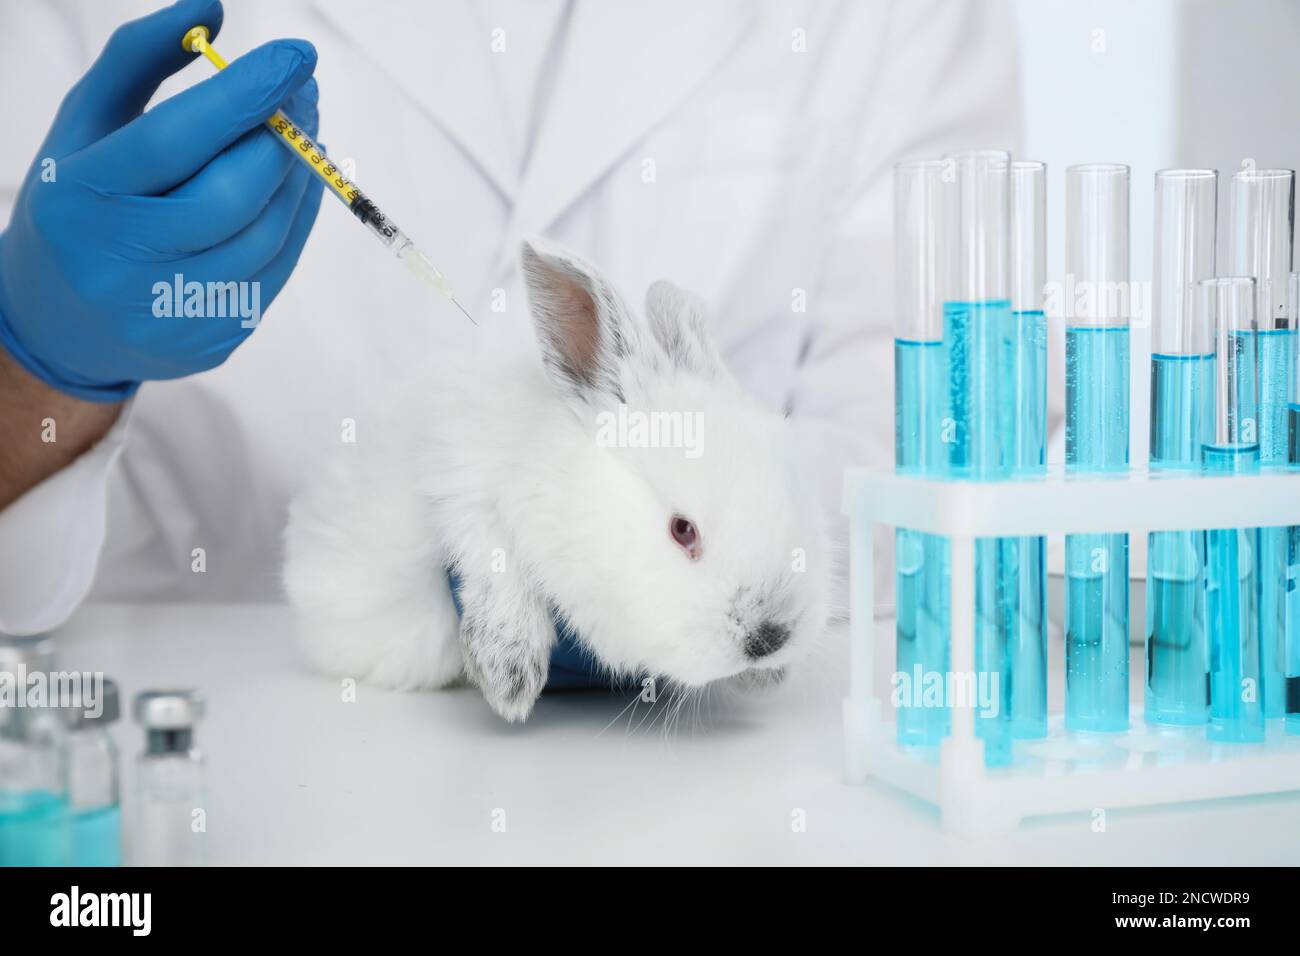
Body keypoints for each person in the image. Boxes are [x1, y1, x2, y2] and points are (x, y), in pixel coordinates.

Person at [0, 0, 1020, 680]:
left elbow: (943, 456)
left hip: (730, 793)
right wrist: (40, 370)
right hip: (236, 735)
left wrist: (617, 596)